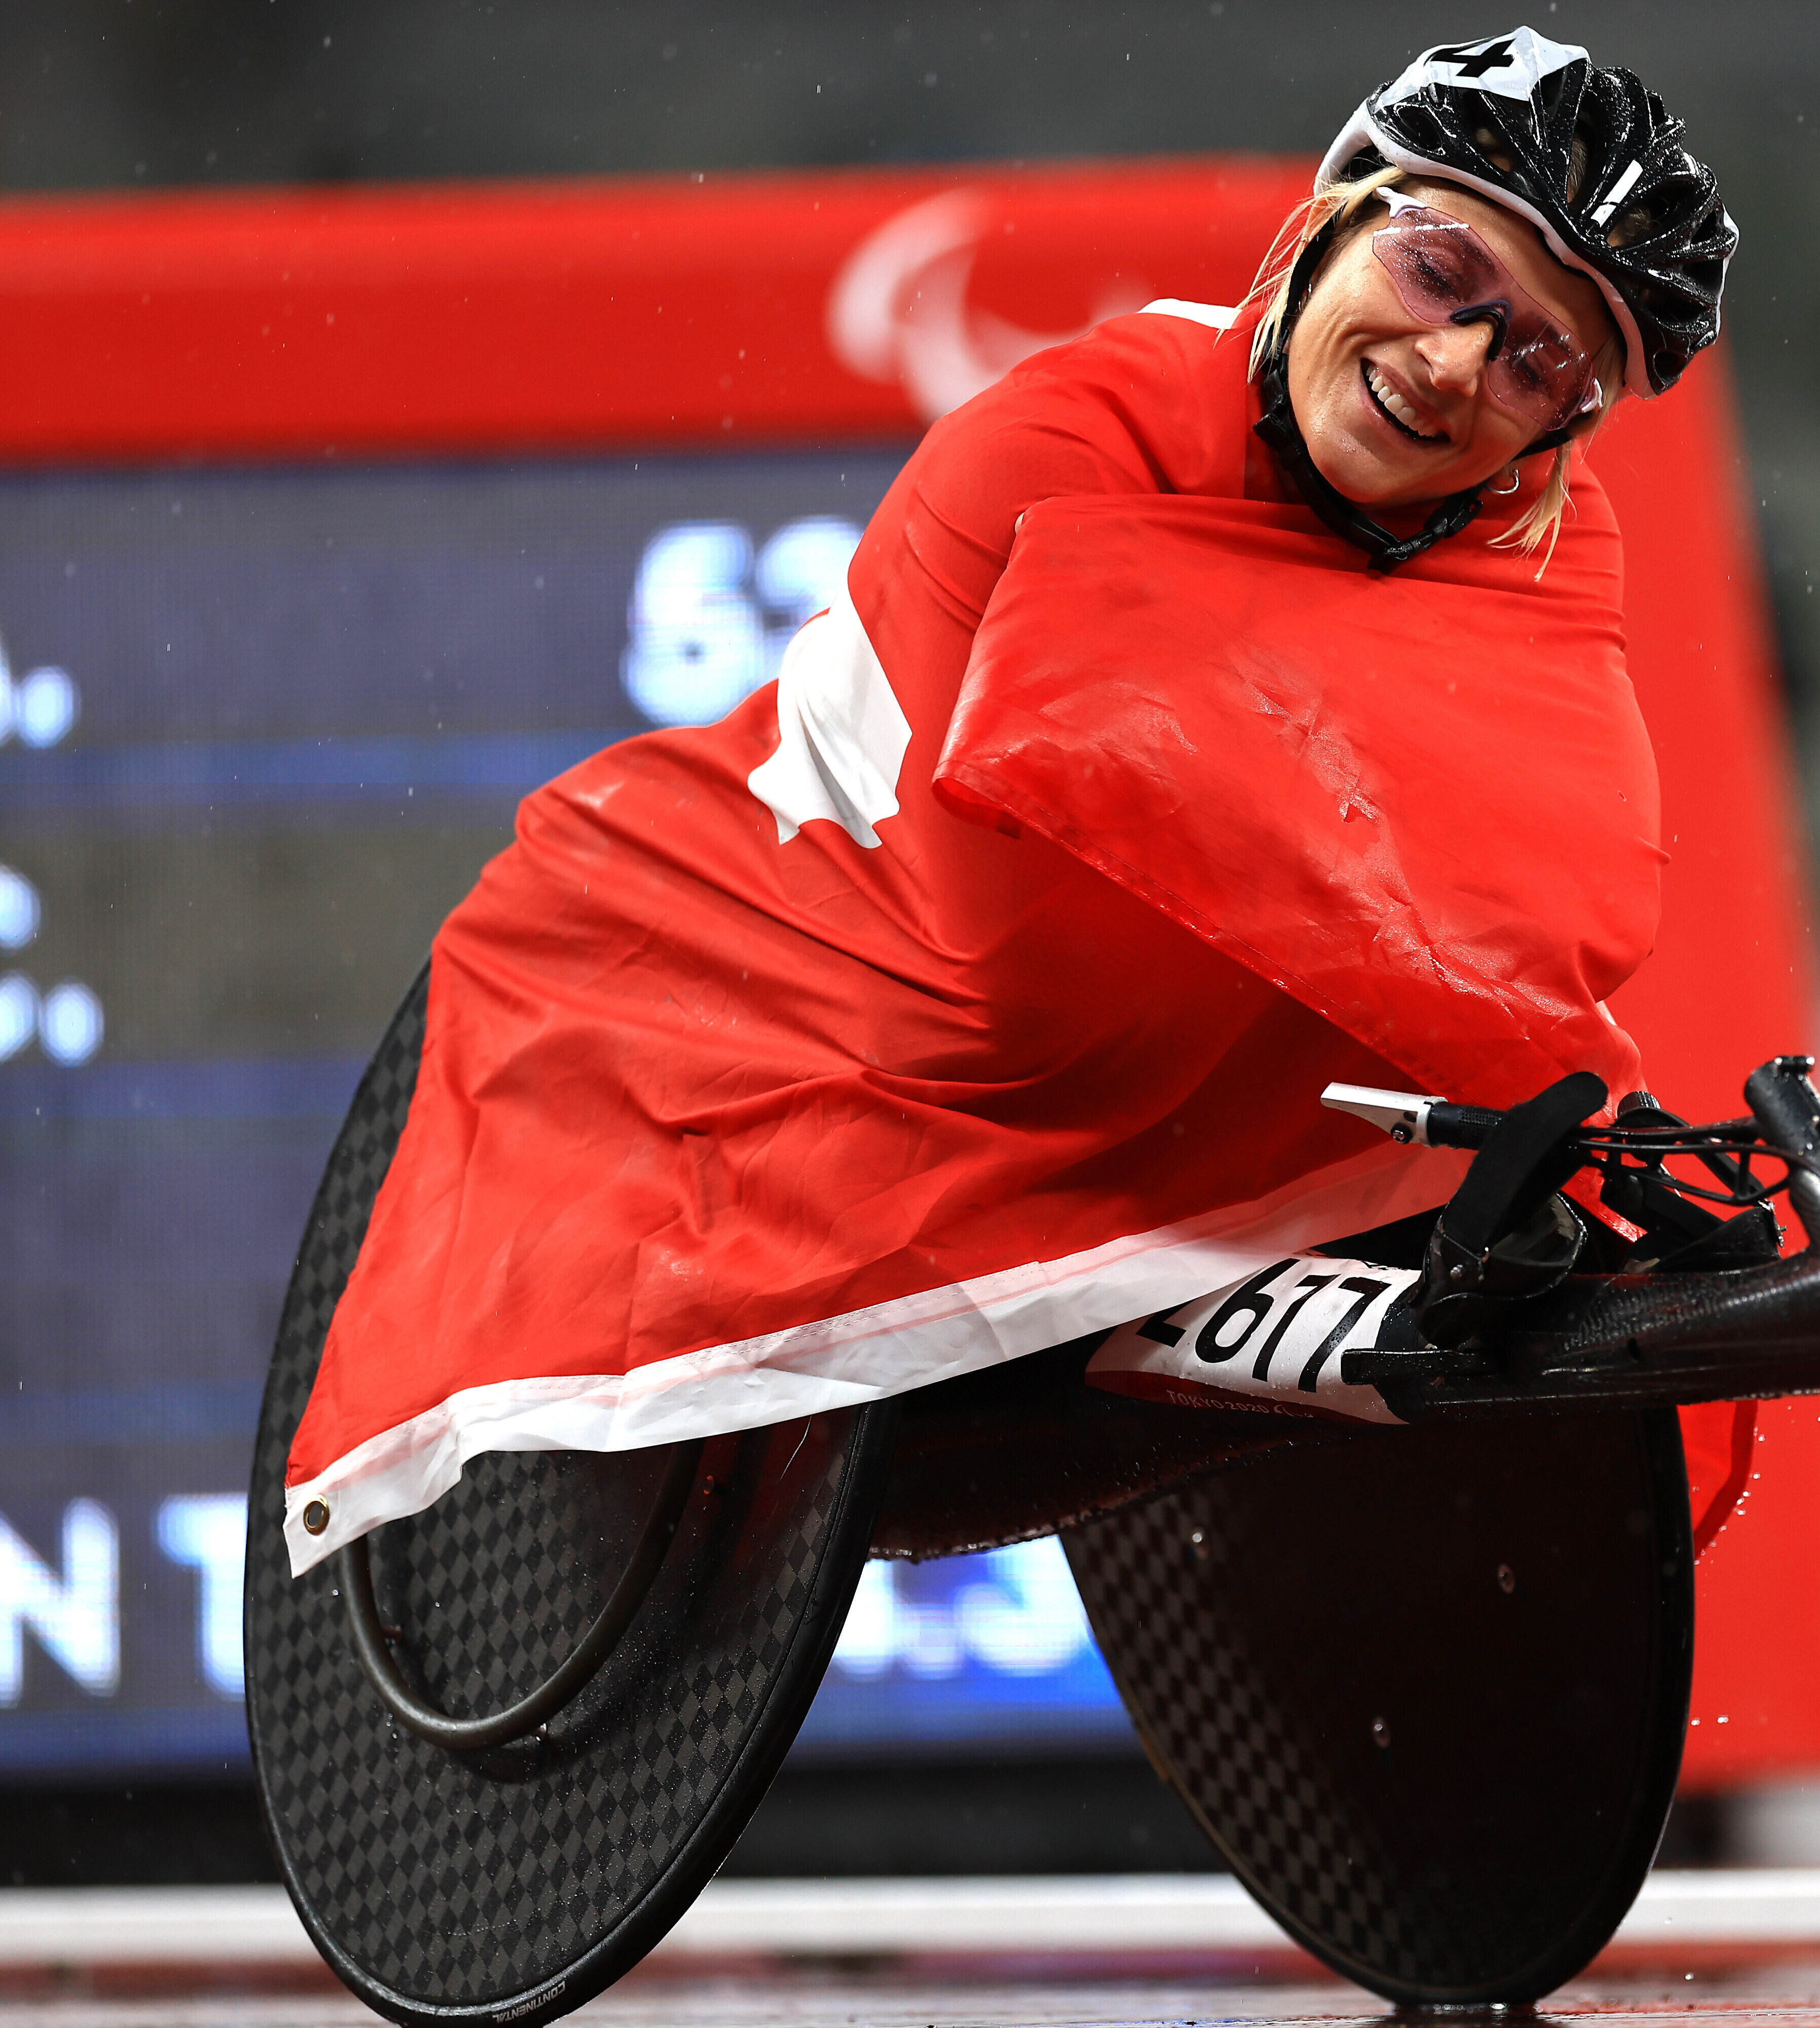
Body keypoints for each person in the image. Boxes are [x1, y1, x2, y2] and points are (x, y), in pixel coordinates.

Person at [279, 27, 1737, 1573]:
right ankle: (1210, 1306)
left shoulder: (1538, 543)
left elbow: (1549, 915)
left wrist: (1584, 1130)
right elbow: (1016, 988)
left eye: (1537, 361)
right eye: (1446, 270)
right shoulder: (1058, 434)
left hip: (1154, 1067)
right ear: (1332, 225)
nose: (1457, 363)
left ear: (1562, 436)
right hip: (834, 999)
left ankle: (1267, 1301)